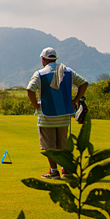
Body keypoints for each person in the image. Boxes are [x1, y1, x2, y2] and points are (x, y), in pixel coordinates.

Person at [26, 47, 88, 179]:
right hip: (64, 113)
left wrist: (35, 105)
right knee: (63, 143)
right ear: (55, 58)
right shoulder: (68, 71)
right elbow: (83, 83)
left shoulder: (40, 73)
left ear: (43, 59)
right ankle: (66, 169)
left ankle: (54, 171)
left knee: (49, 144)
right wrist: (75, 100)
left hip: (46, 114)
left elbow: (30, 89)